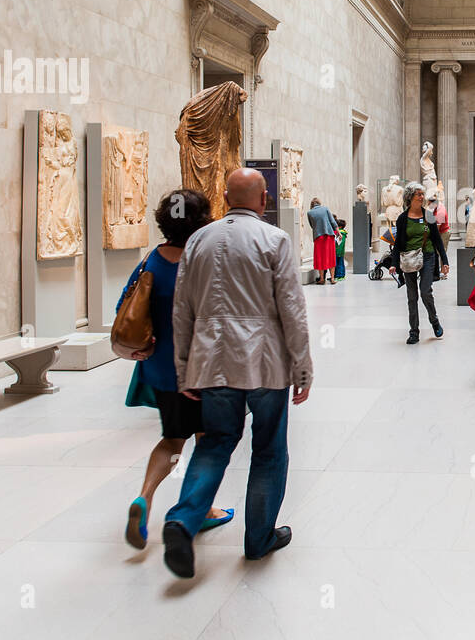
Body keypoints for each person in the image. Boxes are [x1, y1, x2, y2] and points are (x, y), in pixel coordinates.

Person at [161, 168, 312, 579]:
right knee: (268, 451)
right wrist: (302, 367)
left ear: (225, 196)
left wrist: (183, 368)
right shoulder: (274, 240)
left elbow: (182, 311)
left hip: (211, 361)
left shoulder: (197, 241)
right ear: (264, 199)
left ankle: (183, 519)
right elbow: (292, 311)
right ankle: (259, 537)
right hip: (265, 363)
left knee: (213, 446)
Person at [118, 189, 232, 550]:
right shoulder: (207, 260)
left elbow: (126, 305)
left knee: (172, 439)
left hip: (162, 369)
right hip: (202, 369)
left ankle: (145, 497)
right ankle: (201, 509)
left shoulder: (152, 261)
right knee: (206, 441)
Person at [389, 182, 450, 343]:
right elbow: (398, 243)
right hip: (409, 258)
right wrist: (393, 263)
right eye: (419, 194)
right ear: (410, 197)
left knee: (425, 291)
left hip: (428, 256)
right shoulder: (403, 218)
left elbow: (437, 240)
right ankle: (414, 331)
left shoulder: (429, 216)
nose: (422, 197)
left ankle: (434, 321)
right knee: (412, 296)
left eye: (422, 194)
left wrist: (444, 261)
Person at [307, 197, 339, 284]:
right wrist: (338, 232)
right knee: (331, 257)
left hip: (318, 237)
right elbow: (332, 221)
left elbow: (312, 225)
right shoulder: (325, 209)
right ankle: (332, 278)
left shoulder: (309, 213)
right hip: (329, 236)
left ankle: (321, 279)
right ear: (319, 203)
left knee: (320, 257)